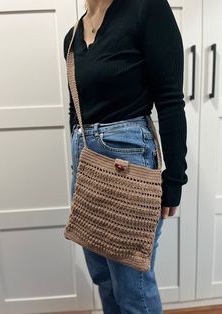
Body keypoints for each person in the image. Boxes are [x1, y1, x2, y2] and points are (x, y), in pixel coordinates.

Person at [63, 0, 188, 313]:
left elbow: (170, 100)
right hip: (86, 163)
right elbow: (74, 110)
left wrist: (175, 177)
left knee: (133, 288)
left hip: (127, 162)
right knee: (103, 278)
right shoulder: (73, 34)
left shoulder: (146, 8)